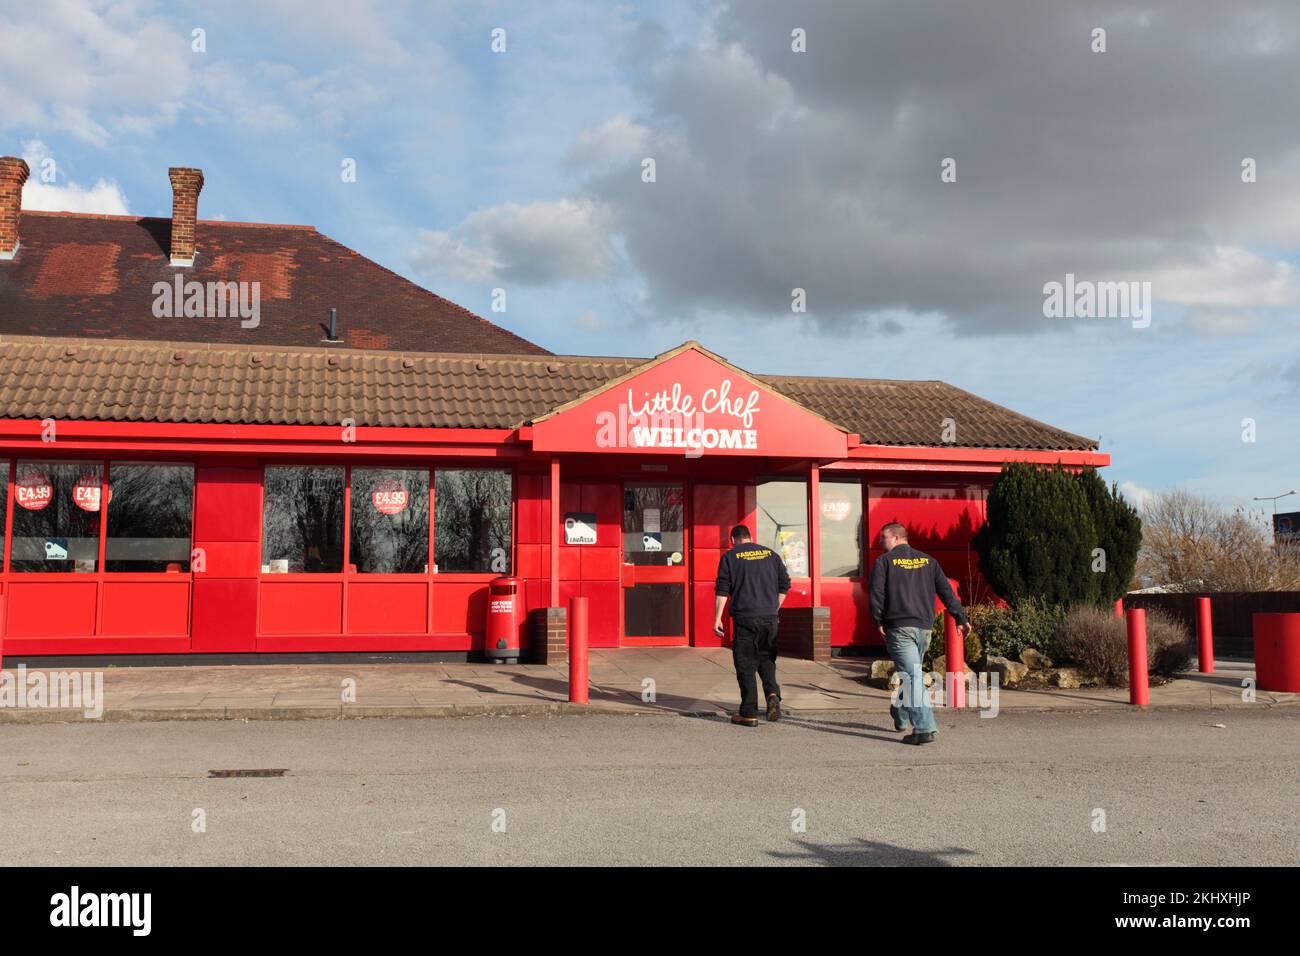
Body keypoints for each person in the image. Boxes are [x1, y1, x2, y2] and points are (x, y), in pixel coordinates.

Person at [868, 522, 970, 745]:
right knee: (912, 675)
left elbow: (876, 594)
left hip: (899, 628)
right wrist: (961, 617)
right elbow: (946, 591)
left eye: (882, 537)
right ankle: (901, 713)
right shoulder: (929, 561)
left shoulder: (884, 562)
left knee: (912, 677)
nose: (879, 542)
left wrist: (877, 620)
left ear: (896, 538)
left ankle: (923, 728)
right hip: (924, 629)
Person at [714, 524, 791, 727]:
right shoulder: (771, 555)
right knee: (766, 659)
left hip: (745, 618)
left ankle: (748, 713)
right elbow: (785, 584)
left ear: (732, 540)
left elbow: (722, 590)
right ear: (751, 537)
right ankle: (772, 694)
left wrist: (717, 618)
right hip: (769, 618)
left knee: (745, 664)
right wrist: (774, 607)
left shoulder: (730, 557)